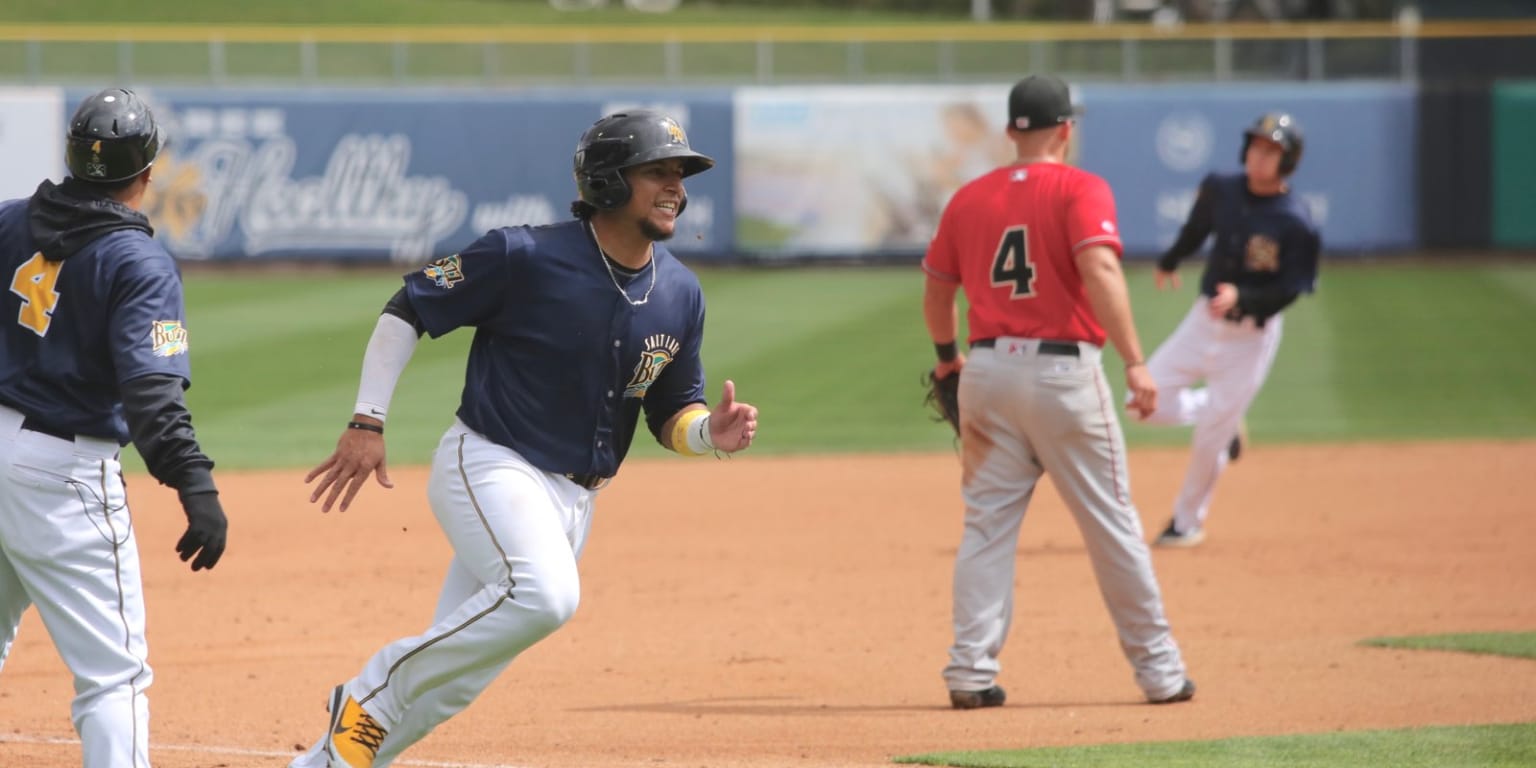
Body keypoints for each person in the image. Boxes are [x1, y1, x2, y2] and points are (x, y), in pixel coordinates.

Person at [290, 108, 759, 768]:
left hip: (575, 503)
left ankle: (323, 765)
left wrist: (712, 433)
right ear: (605, 181)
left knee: (452, 685)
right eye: (658, 171)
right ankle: (370, 689)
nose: (676, 186)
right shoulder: (524, 255)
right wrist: (368, 419)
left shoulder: (680, 292)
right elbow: (409, 307)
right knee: (547, 595)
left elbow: (672, 411)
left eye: (680, 173)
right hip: (491, 464)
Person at [921, 74, 1194, 710]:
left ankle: (968, 671)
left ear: (1014, 130)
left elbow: (938, 291)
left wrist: (946, 362)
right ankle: (1159, 673)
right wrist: (1135, 362)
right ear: (1066, 130)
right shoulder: (1080, 186)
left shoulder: (968, 197)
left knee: (986, 530)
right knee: (1113, 525)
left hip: (986, 373)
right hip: (1063, 375)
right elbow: (1098, 267)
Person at [0, 88, 228, 767]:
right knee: (114, 677)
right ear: (148, 172)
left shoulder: (9, 222)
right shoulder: (139, 263)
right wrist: (196, 485)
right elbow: (152, 395)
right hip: (59, 478)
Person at [1143, 112, 1321, 548]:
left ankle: (1187, 522)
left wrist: (1244, 299)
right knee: (1143, 403)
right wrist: (1170, 258)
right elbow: (1197, 229)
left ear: (1289, 161)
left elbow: (1290, 291)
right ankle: (1222, 412)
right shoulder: (1221, 188)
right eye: (1257, 147)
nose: (1260, 157)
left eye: (1272, 151)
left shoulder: (1297, 222)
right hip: (1204, 322)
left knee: (1209, 441)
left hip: (1251, 337)